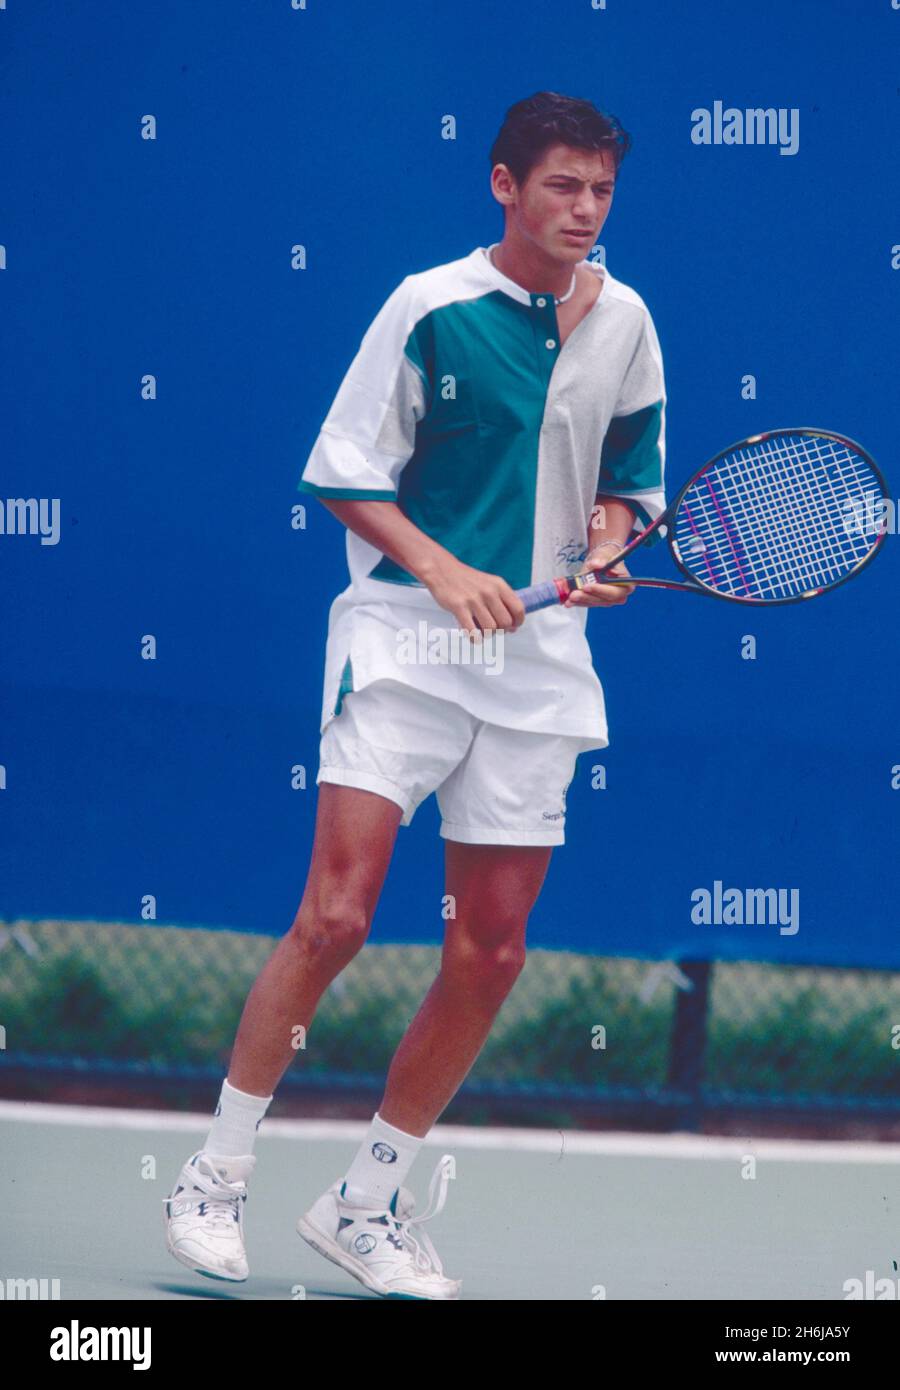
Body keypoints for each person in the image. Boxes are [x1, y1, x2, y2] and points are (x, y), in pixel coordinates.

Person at [164, 90, 666, 1301]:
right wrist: (442, 572)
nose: (583, 210)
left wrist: (600, 549)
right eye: (561, 186)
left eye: (599, 190)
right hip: (403, 642)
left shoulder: (631, 319)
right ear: (504, 184)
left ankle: (369, 1199)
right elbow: (343, 471)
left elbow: (629, 474)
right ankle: (214, 1174)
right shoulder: (428, 306)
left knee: (489, 949)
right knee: (335, 917)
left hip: (540, 667)